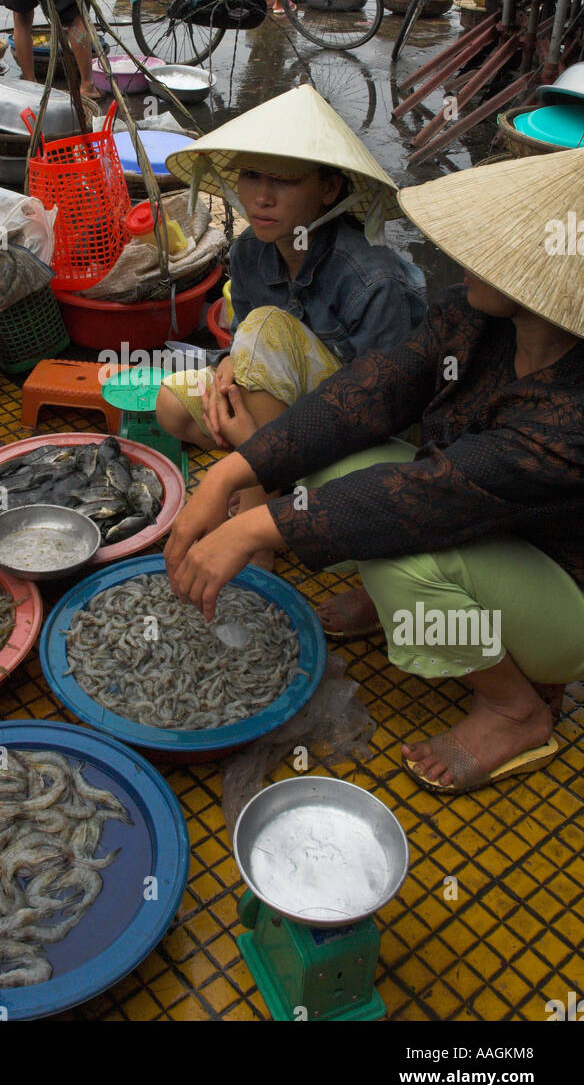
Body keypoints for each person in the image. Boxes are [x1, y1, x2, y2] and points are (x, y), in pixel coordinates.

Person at [164, 148, 584, 794]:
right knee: (338, 463)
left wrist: (249, 530)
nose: (466, 254)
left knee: (398, 550)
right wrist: (227, 478)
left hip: (561, 597)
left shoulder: (571, 418)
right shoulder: (470, 319)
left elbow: (427, 497)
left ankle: (515, 708)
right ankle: (405, 610)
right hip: (480, 531)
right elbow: (367, 394)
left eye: (490, 248)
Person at [156, 84, 427, 567]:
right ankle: (270, 475)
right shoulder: (249, 252)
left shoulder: (371, 279)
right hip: (281, 416)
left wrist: (257, 450)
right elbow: (244, 344)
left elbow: (389, 407)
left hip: (355, 431)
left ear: (329, 189)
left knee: (265, 329)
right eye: (252, 175)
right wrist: (228, 366)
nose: (261, 197)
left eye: (283, 181)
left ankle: (262, 510)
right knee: (173, 404)